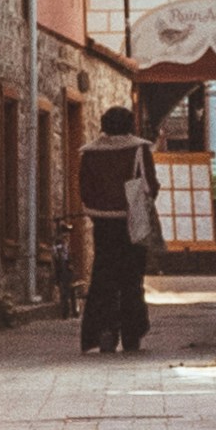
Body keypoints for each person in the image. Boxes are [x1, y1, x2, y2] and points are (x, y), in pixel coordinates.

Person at [77, 106, 154, 355]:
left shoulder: (90, 153)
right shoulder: (139, 149)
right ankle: (132, 332)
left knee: (103, 277)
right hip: (131, 219)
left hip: (103, 222)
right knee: (132, 278)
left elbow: (84, 186)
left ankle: (103, 330)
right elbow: (149, 184)